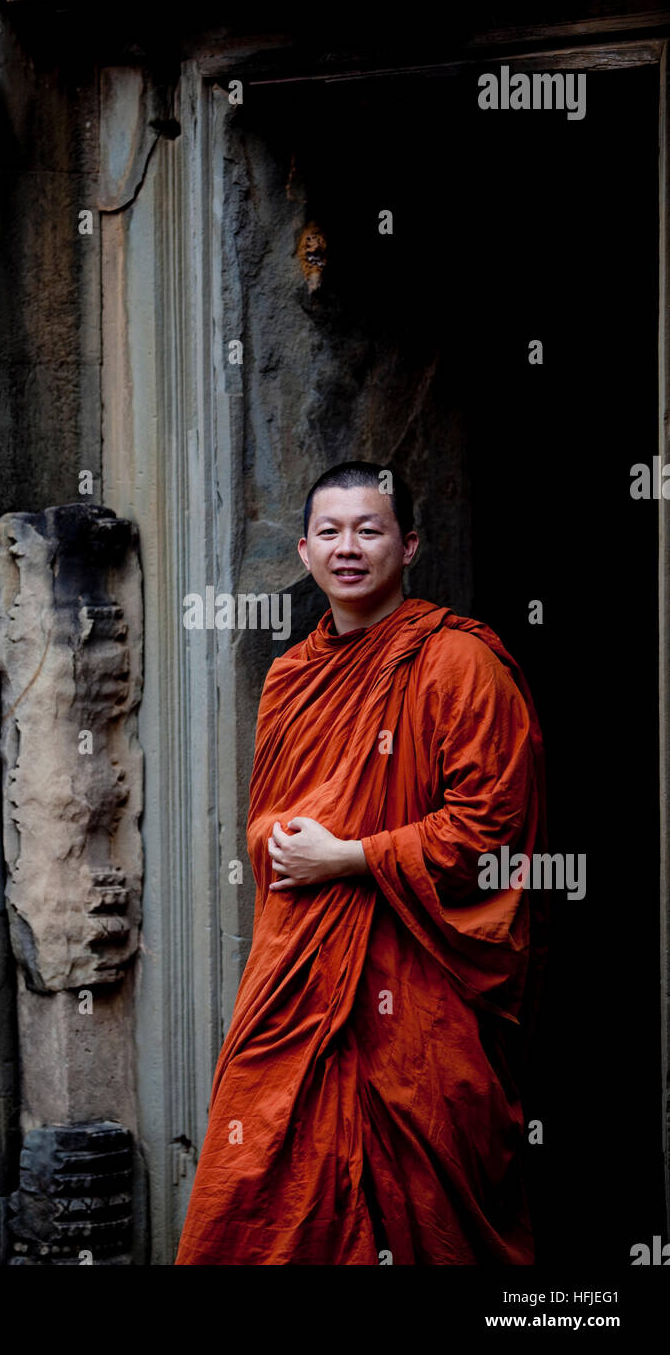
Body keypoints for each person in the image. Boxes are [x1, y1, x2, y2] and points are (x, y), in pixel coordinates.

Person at [175, 460, 547, 1266]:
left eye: (370, 530)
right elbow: (268, 832)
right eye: (332, 533)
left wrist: (350, 856)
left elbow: (491, 834)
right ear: (306, 551)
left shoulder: (458, 663)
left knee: (432, 1208)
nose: (351, 548)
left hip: (418, 996)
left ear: (409, 545)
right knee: (254, 1183)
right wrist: (289, 847)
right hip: (301, 987)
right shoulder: (291, 677)